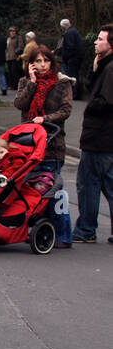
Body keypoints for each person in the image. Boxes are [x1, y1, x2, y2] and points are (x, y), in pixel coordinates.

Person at [13, 44, 74, 246]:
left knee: (53, 191)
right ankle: (38, 229)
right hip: (29, 145)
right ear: (31, 64)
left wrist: (45, 118)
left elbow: (66, 110)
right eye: (38, 61)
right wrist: (31, 83)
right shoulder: (25, 82)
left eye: (46, 61)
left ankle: (63, 235)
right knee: (31, 189)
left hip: (52, 145)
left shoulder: (61, 83)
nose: (42, 65)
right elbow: (20, 104)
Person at [72, 25, 113, 243]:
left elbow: (105, 101)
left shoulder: (111, 69)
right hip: (103, 137)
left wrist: (91, 109)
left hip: (99, 136)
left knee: (88, 184)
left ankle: (86, 230)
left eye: (100, 39)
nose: (95, 42)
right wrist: (94, 69)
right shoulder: (104, 66)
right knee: (108, 185)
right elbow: (90, 86)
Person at [59, 18, 83, 96]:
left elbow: (70, 47)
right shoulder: (74, 31)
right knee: (76, 75)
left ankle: (74, 94)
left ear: (63, 26)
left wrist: (65, 56)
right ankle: (77, 93)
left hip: (72, 59)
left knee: (72, 76)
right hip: (77, 57)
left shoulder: (69, 33)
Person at [5, 26, 24, 93]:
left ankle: (16, 85)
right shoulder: (8, 39)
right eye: (11, 31)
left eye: (13, 31)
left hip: (15, 57)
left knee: (15, 72)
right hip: (8, 57)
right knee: (9, 72)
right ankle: (11, 85)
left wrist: (16, 52)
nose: (12, 32)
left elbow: (21, 47)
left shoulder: (18, 38)